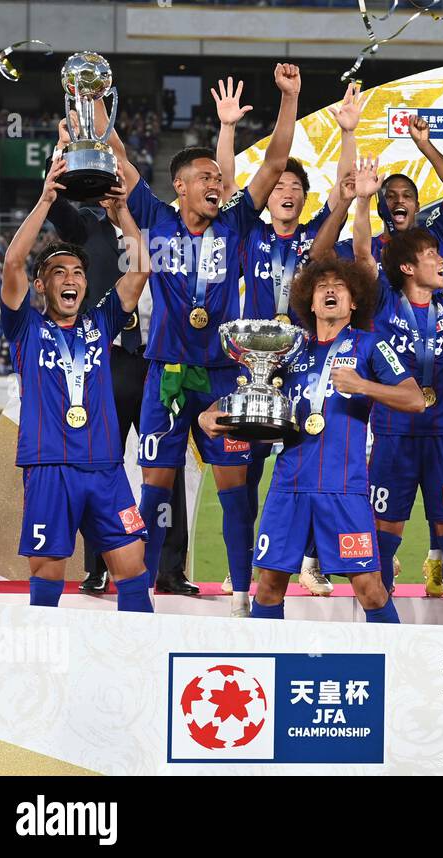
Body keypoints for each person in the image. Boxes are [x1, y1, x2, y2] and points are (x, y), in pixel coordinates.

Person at [109, 63, 301, 615]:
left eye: (219, 178)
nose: (217, 184)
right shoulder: (154, 217)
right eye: (207, 178)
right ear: (181, 186)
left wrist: (288, 100)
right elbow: (120, 159)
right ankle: (139, 599)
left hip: (223, 378)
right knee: (155, 487)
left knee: (234, 493)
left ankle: (243, 596)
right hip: (166, 373)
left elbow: (274, 163)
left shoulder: (236, 222)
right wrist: (94, 98)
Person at [201, 256, 425, 622]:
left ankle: (395, 674)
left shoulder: (371, 347)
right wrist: (210, 412)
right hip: (289, 486)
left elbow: (415, 399)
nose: (330, 290)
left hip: (344, 488)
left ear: (354, 302)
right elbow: (249, 388)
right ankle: (266, 671)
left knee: (370, 588)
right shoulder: (291, 348)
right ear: (310, 301)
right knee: (270, 585)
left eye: (340, 286)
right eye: (322, 287)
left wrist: (363, 385)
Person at [218, 79, 362, 599]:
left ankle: (311, 560)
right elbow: (227, 185)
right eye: (279, 186)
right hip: (252, 373)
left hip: (306, 370)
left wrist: (348, 133)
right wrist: (228, 129)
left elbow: (345, 192)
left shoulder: (315, 238)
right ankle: (241, 586)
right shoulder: (248, 234)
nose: (287, 191)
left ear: (303, 198)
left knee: (313, 461)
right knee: (241, 483)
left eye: (296, 187)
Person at [47, 118, 194, 597]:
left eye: (123, 184)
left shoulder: (155, 229)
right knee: (101, 462)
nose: (117, 192)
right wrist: (65, 151)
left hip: (154, 360)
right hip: (105, 360)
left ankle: (171, 568)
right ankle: (98, 566)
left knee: (164, 466)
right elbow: (58, 207)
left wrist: (106, 128)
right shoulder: (83, 224)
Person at [2, 158, 153, 612]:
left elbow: (140, 268)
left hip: (105, 467)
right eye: (59, 273)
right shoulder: (25, 328)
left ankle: (139, 666)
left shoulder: (100, 322)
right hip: (49, 466)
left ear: (86, 286)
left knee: (133, 565)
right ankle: (44, 674)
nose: (71, 278)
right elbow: (13, 261)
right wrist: (47, 199)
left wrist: (122, 212)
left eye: (78, 273)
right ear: (42, 287)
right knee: (48, 570)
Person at [351, 160, 443, 619]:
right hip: (394, 437)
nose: (442, 260)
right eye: (432, 256)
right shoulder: (382, 298)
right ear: (406, 266)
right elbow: (362, 252)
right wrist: (362, 199)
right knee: (385, 531)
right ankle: (384, 628)